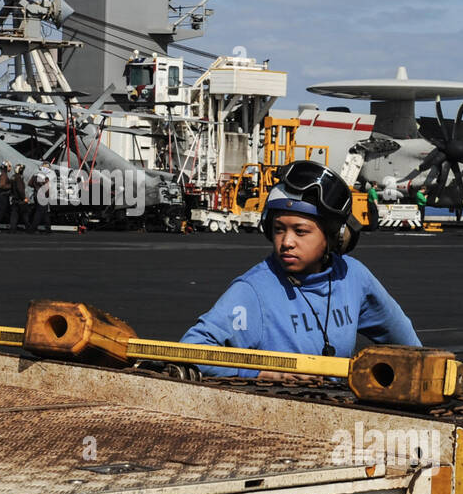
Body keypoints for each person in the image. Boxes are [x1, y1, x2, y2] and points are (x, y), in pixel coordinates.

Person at [180, 161, 421, 381]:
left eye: (301, 231)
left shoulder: (353, 276)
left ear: (334, 236)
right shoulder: (253, 291)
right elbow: (191, 350)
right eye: (279, 229)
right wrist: (260, 373)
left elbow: (405, 340)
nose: (286, 242)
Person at [28, 162, 53, 233]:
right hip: (42, 197)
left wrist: (36, 188)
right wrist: (48, 196)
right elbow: (47, 189)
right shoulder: (45, 177)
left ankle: (48, 229)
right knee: (39, 213)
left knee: (45, 213)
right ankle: (32, 229)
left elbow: (29, 184)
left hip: (36, 195)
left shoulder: (35, 175)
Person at [9, 164, 28, 233]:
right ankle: (29, 228)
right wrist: (24, 198)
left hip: (14, 198)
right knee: (25, 214)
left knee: (14, 215)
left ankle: (12, 229)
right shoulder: (18, 178)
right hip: (20, 199)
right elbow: (20, 189)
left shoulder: (13, 177)